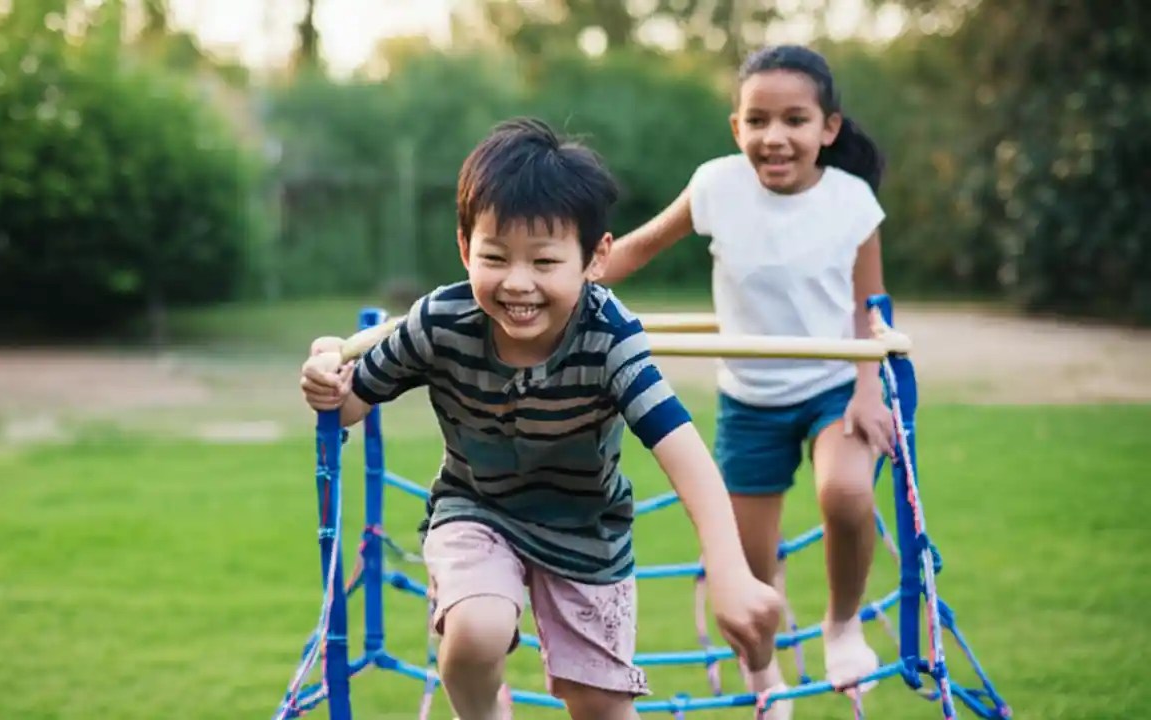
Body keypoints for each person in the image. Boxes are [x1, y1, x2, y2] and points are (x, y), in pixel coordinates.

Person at [300, 117, 782, 720]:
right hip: (474, 508)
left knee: (601, 707)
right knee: (473, 631)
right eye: (495, 257)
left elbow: (683, 451)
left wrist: (730, 573)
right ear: (463, 248)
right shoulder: (439, 322)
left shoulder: (610, 338)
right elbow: (349, 404)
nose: (517, 283)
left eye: (545, 261)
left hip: (587, 531)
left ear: (595, 258)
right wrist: (327, 383)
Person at [597, 45, 895, 718]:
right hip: (750, 403)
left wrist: (868, 390)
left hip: (831, 388)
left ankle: (842, 625)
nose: (776, 137)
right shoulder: (715, 186)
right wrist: (559, 271)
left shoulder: (853, 202)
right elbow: (634, 250)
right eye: (758, 120)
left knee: (846, 493)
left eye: (795, 119)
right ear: (737, 129)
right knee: (748, 581)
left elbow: (869, 309)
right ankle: (766, 686)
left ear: (829, 128)